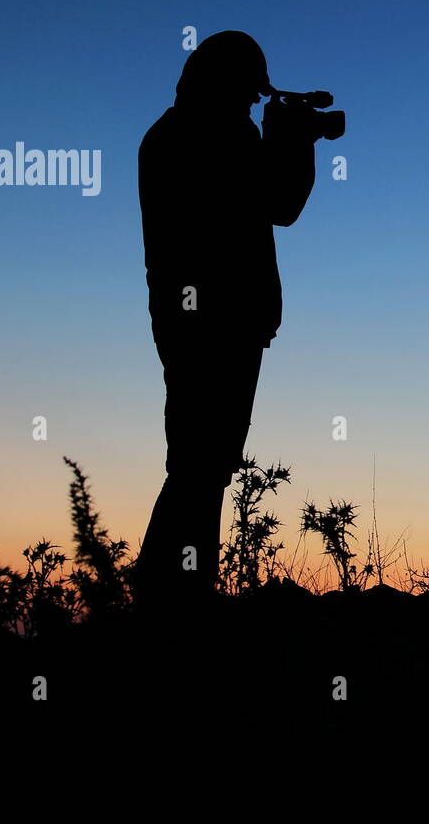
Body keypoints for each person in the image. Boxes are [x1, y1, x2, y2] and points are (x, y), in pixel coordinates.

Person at [134, 30, 321, 608]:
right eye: (246, 95)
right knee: (200, 466)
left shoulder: (173, 135)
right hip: (216, 324)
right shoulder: (210, 135)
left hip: (204, 321)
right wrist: (293, 141)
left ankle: (177, 594)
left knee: (201, 465)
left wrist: (279, 137)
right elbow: (282, 204)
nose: (249, 105)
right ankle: (171, 599)